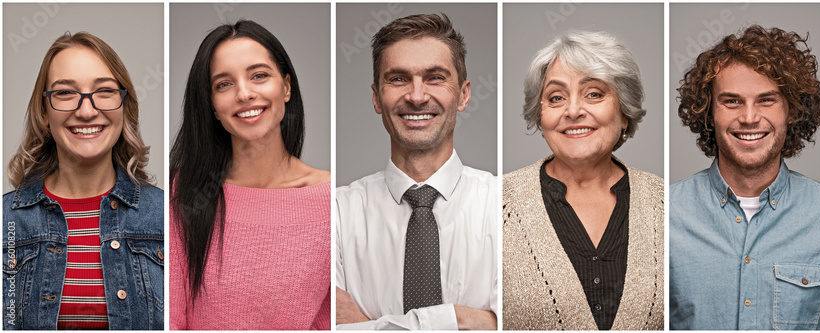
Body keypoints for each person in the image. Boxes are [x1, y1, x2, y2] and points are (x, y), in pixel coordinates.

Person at [335, 13, 497, 330]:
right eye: (398, 79)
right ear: (376, 97)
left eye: (435, 77)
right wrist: (465, 321)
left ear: (463, 94)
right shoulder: (337, 214)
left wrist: (367, 325)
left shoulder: (504, 207)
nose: (417, 96)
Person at [169, 20, 331, 330]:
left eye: (259, 76)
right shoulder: (183, 192)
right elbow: (171, 322)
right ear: (213, 107)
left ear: (285, 87)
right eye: (224, 84)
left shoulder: (331, 201)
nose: (244, 94)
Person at [670, 25, 820, 330]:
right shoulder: (664, 215)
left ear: (792, 110)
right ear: (708, 112)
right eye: (732, 101)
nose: (749, 117)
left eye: (766, 100)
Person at [502, 30, 663, 330]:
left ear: (624, 112)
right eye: (556, 97)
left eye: (594, 94)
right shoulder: (495, 204)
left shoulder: (668, 205)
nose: (573, 111)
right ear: (540, 116)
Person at [2, 32, 163, 330]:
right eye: (65, 93)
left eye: (104, 91)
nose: (86, 111)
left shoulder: (167, 216)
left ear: (124, 107)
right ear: (44, 113)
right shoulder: (5, 222)